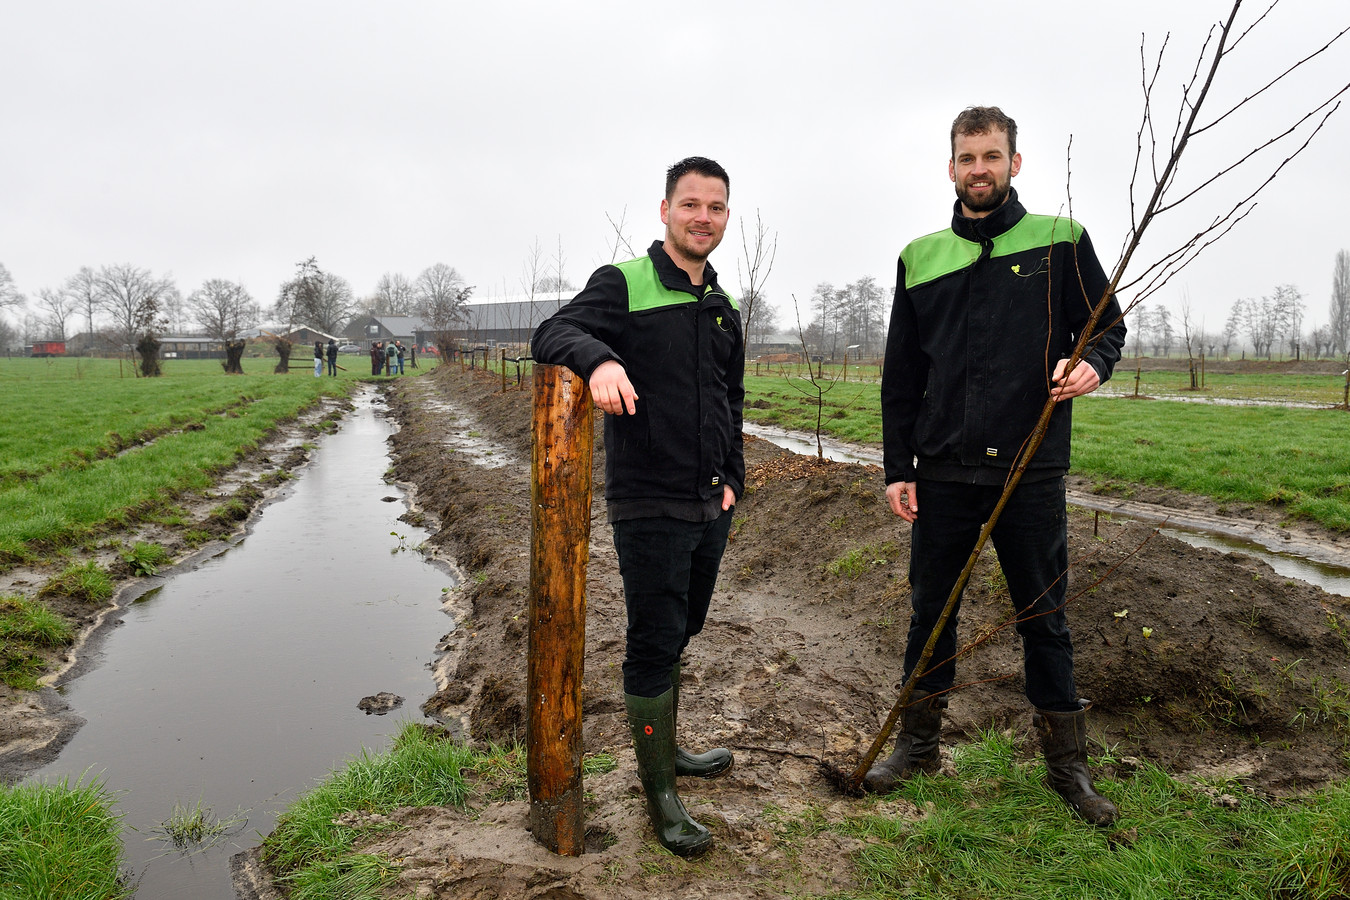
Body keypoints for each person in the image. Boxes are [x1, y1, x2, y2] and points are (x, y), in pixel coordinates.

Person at [869, 107, 1127, 827]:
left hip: (1030, 466)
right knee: (932, 615)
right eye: (965, 157)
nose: (978, 168)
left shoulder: (1062, 241)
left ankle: (1067, 769)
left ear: (1015, 162)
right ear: (950, 168)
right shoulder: (919, 257)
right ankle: (918, 750)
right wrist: (899, 466)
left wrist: (1092, 366)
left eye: (991, 155)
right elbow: (902, 375)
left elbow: (1106, 324)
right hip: (944, 470)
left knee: (1044, 618)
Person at [531, 156, 743, 858]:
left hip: (712, 501)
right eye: (690, 204)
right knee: (654, 642)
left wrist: (733, 478)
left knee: (684, 628)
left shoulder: (722, 307)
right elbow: (552, 333)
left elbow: (730, 400)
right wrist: (600, 360)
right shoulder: (624, 283)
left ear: (725, 217)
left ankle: (671, 752)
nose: (702, 217)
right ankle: (660, 797)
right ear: (665, 211)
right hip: (649, 500)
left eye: (715, 207)